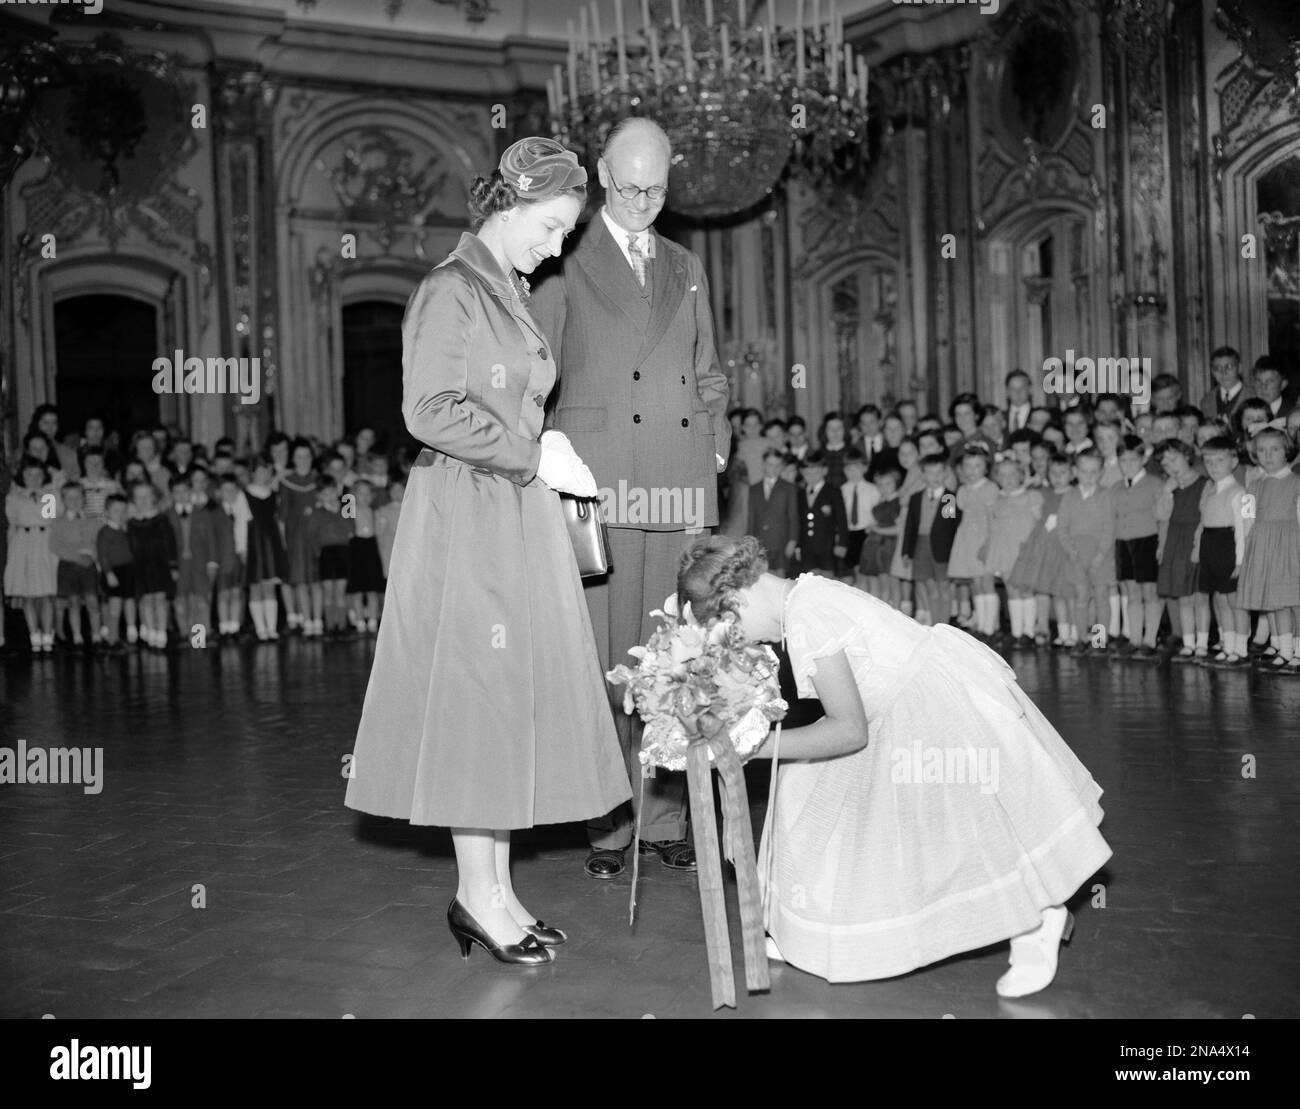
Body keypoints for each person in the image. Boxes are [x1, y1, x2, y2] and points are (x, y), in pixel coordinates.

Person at [344, 136, 630, 964]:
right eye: (548, 227)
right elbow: (427, 409)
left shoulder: (503, 289)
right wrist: (527, 450)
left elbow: (507, 404)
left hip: (509, 509)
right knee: (479, 704)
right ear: (507, 205)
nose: (554, 247)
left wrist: (547, 443)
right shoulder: (450, 289)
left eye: (564, 234)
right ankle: (476, 893)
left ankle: (498, 890)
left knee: (506, 703)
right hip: (469, 513)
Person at [675, 535, 1112, 994]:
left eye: (737, 628)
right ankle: (805, 928)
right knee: (805, 791)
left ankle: (1038, 919)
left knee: (968, 832)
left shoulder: (807, 618)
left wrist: (751, 747)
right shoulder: (804, 592)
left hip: (930, 712)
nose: (752, 640)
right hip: (894, 702)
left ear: (738, 597)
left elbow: (849, 731)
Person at [529, 118, 730, 882]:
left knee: (670, 658)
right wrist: (544, 453)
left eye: (658, 188)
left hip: (679, 480)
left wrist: (717, 440)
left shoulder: (687, 262)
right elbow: (539, 365)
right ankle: (610, 822)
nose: (644, 201)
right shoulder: (564, 255)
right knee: (609, 661)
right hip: (602, 479)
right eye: (629, 187)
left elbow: (707, 367)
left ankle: (668, 815)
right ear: (603, 179)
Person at [1237, 428, 1300, 672]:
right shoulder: (1253, 485)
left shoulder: (1296, 483)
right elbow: (1246, 522)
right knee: (1276, 602)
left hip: (1290, 548)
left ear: (1287, 451)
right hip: (1264, 548)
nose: (1268, 455)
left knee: (1295, 602)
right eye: (1261, 450)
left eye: (1275, 449)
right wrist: (1246, 555)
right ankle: (1284, 652)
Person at [1195, 436, 1248, 667]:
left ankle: (1241, 650)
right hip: (1211, 547)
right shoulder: (1210, 491)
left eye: (1220, 460)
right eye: (1208, 461)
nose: (1214, 466)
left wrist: (1241, 561)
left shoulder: (1241, 492)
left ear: (1234, 461)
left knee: (1236, 602)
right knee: (1221, 600)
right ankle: (1228, 647)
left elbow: (1246, 529)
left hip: (1230, 547)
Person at [1155, 440, 1210, 661]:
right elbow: (1161, 516)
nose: (1170, 466)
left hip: (1195, 541)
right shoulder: (1169, 487)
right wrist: (1166, 493)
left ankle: (1203, 644)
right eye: (1165, 464)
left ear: (1187, 456)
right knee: (1183, 596)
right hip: (1175, 543)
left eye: (1174, 458)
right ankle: (1188, 643)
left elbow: (1205, 516)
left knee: (1200, 596)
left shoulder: (1204, 483)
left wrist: (1198, 544)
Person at [5, 456, 58, 652]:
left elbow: (49, 519)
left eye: (37, 475)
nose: (33, 479)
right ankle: (33, 633)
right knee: (27, 593)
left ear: (44, 476)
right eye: (28, 475)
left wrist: (42, 494)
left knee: (46, 593)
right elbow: (12, 523)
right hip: (23, 543)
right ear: (22, 476)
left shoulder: (49, 495)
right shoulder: (14, 497)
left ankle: (47, 634)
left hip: (44, 543)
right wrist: (12, 553)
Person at [746, 447, 799, 576]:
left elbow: (793, 517)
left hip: (781, 542)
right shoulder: (753, 489)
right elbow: (751, 518)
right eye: (770, 464)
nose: (774, 468)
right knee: (762, 579)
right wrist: (750, 542)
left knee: (780, 579)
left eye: (777, 465)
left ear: (782, 467)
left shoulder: (789, 488)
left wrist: (792, 540)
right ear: (763, 465)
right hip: (760, 543)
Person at [1197, 346, 1248, 426]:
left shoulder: (1254, 395)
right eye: (1217, 368)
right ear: (1212, 372)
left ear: (1239, 368)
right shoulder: (1206, 401)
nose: (1223, 373)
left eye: (1229, 367)